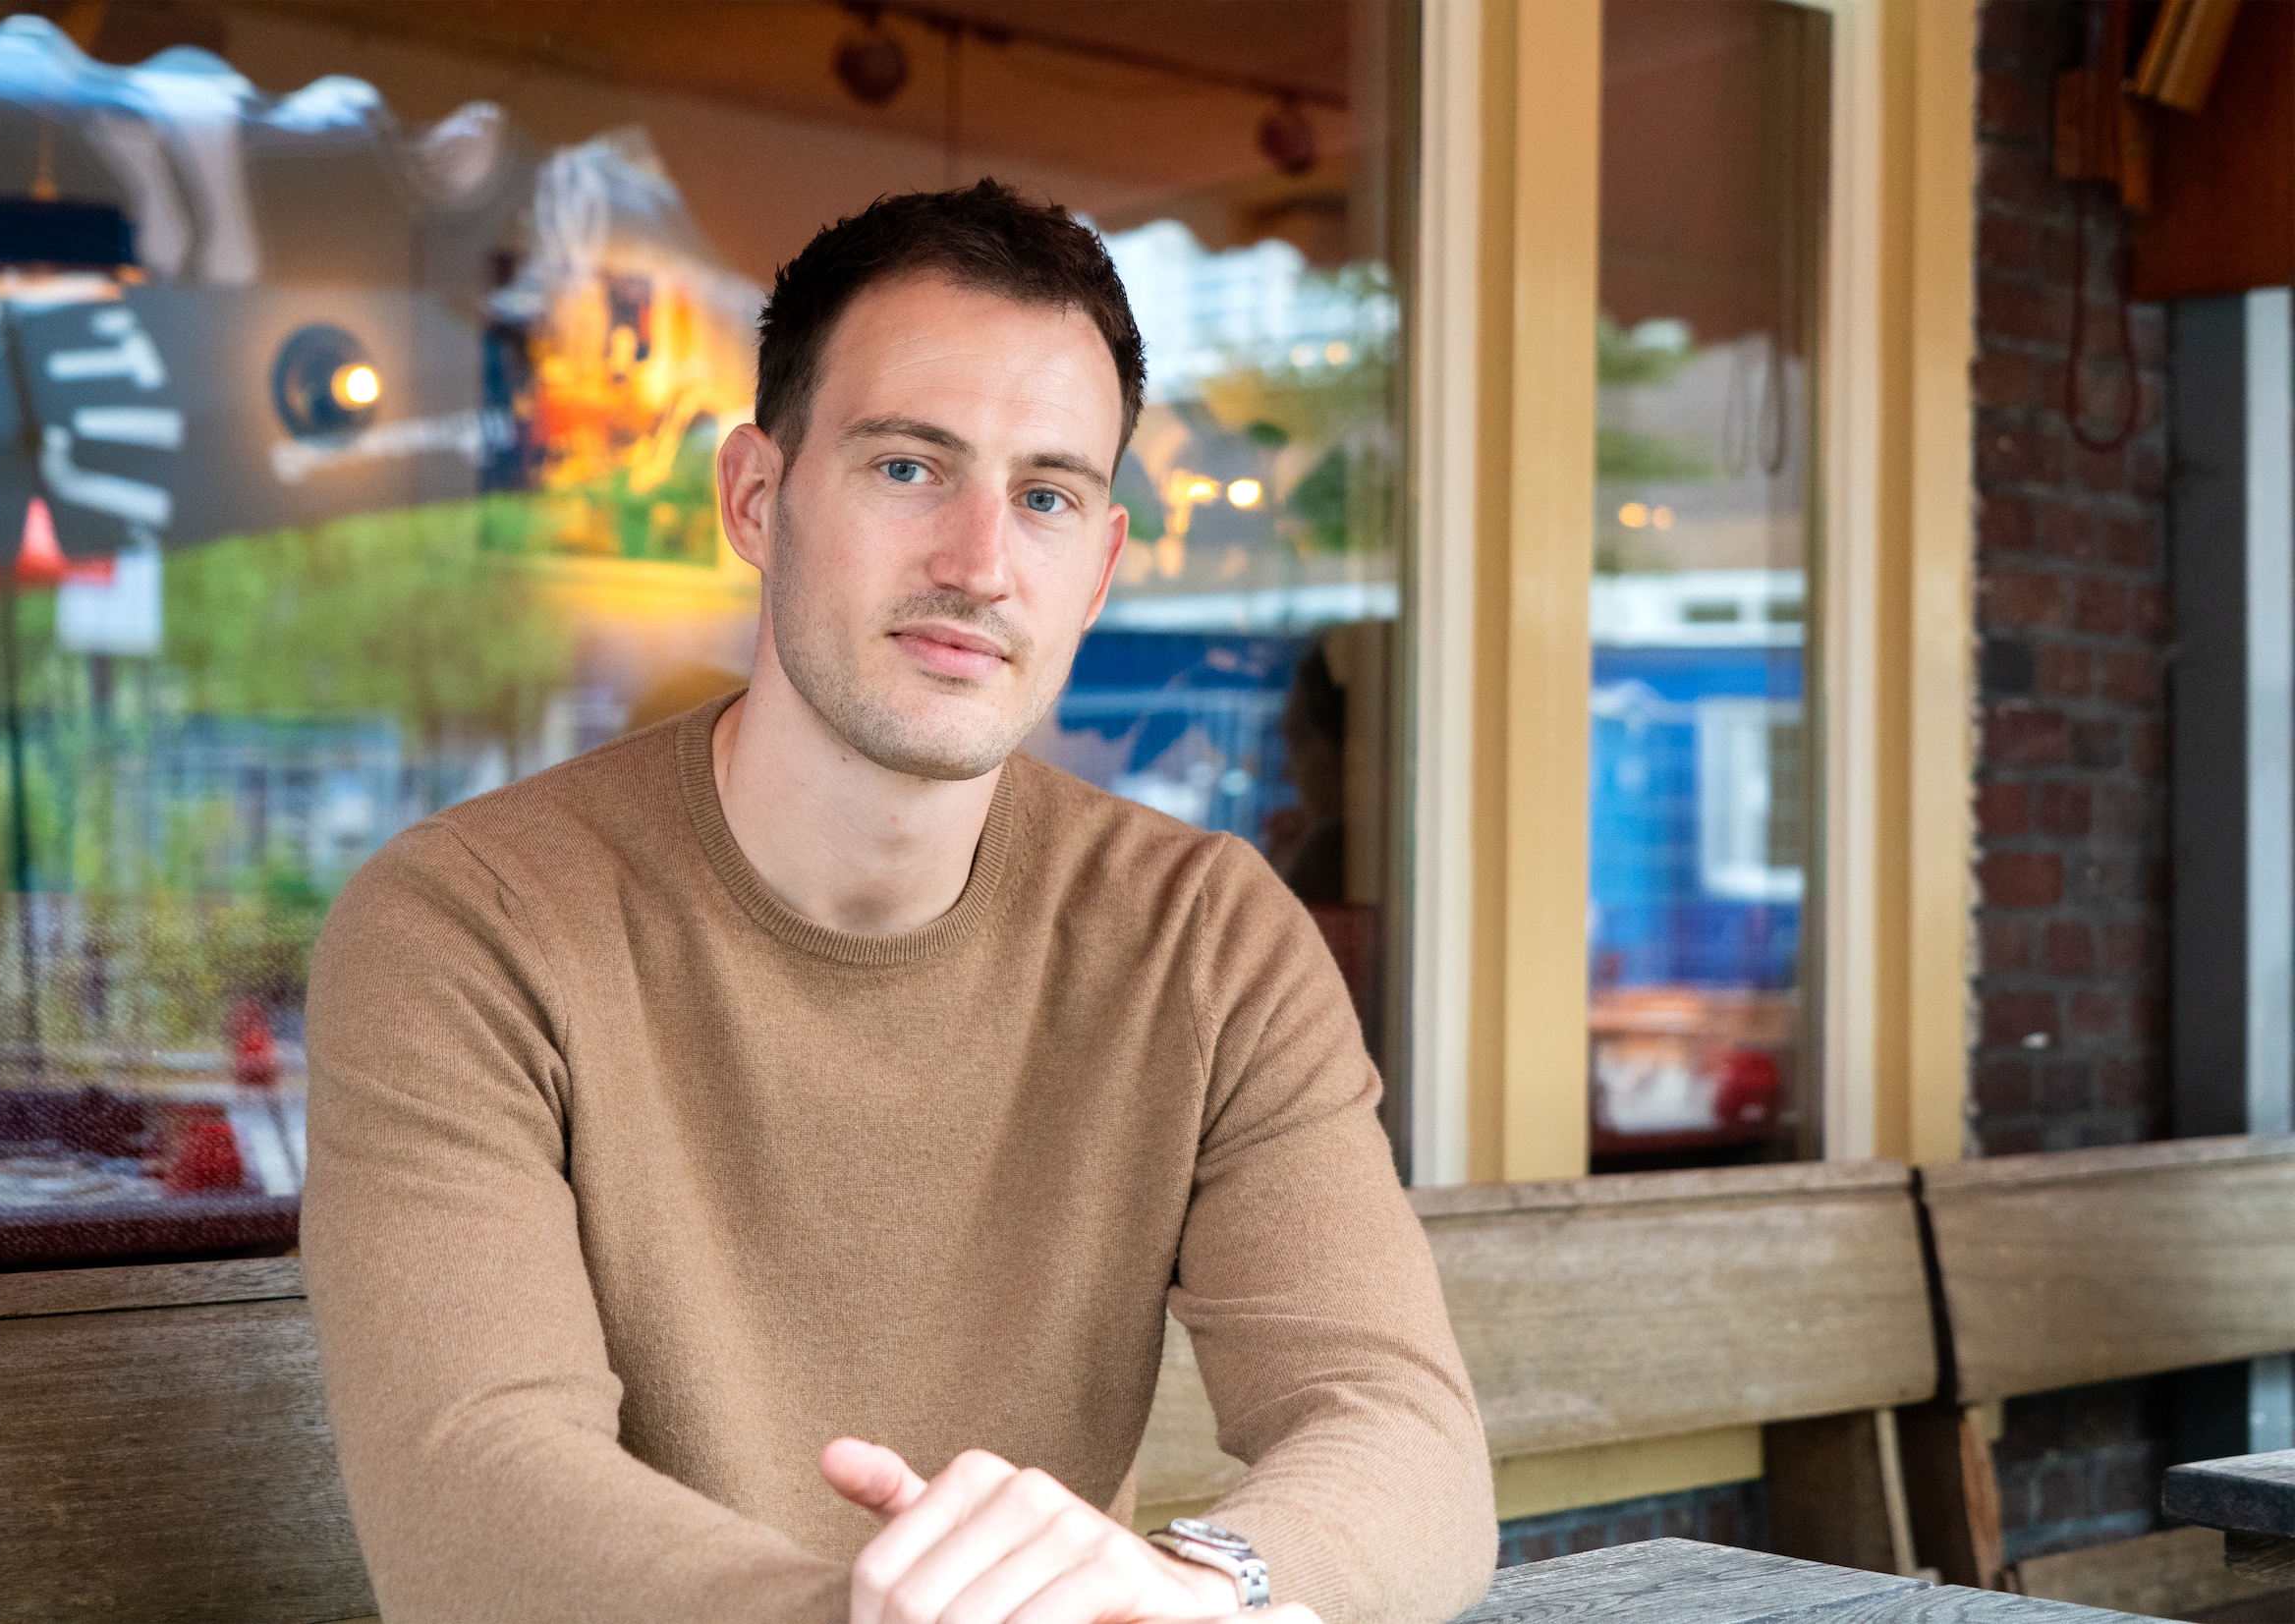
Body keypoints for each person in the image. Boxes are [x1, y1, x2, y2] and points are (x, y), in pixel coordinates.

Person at [301, 180, 1495, 1624]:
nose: (980, 565)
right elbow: (471, 1493)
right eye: (909, 468)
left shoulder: (1208, 934)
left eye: (1047, 495)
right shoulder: (471, 923)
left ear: (1100, 565)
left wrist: (1201, 1591)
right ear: (758, 495)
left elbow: (1404, 1435)